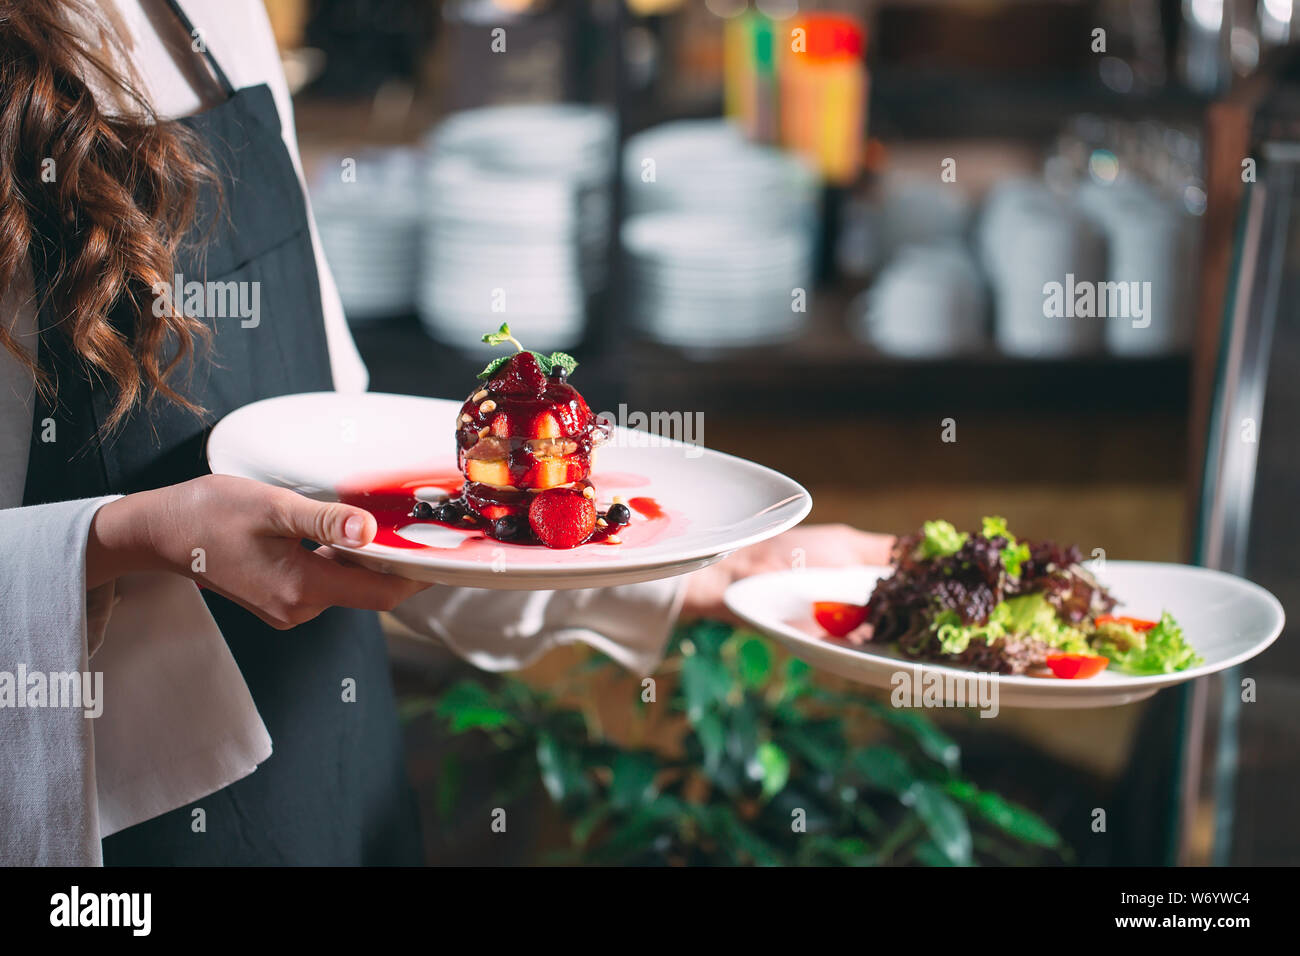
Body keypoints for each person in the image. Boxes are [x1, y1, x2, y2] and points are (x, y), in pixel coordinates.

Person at [0, 0, 893, 865]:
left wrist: (698, 568)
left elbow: (339, 484)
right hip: (118, 807)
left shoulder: (222, 18)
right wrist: (121, 541)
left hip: (335, 760)